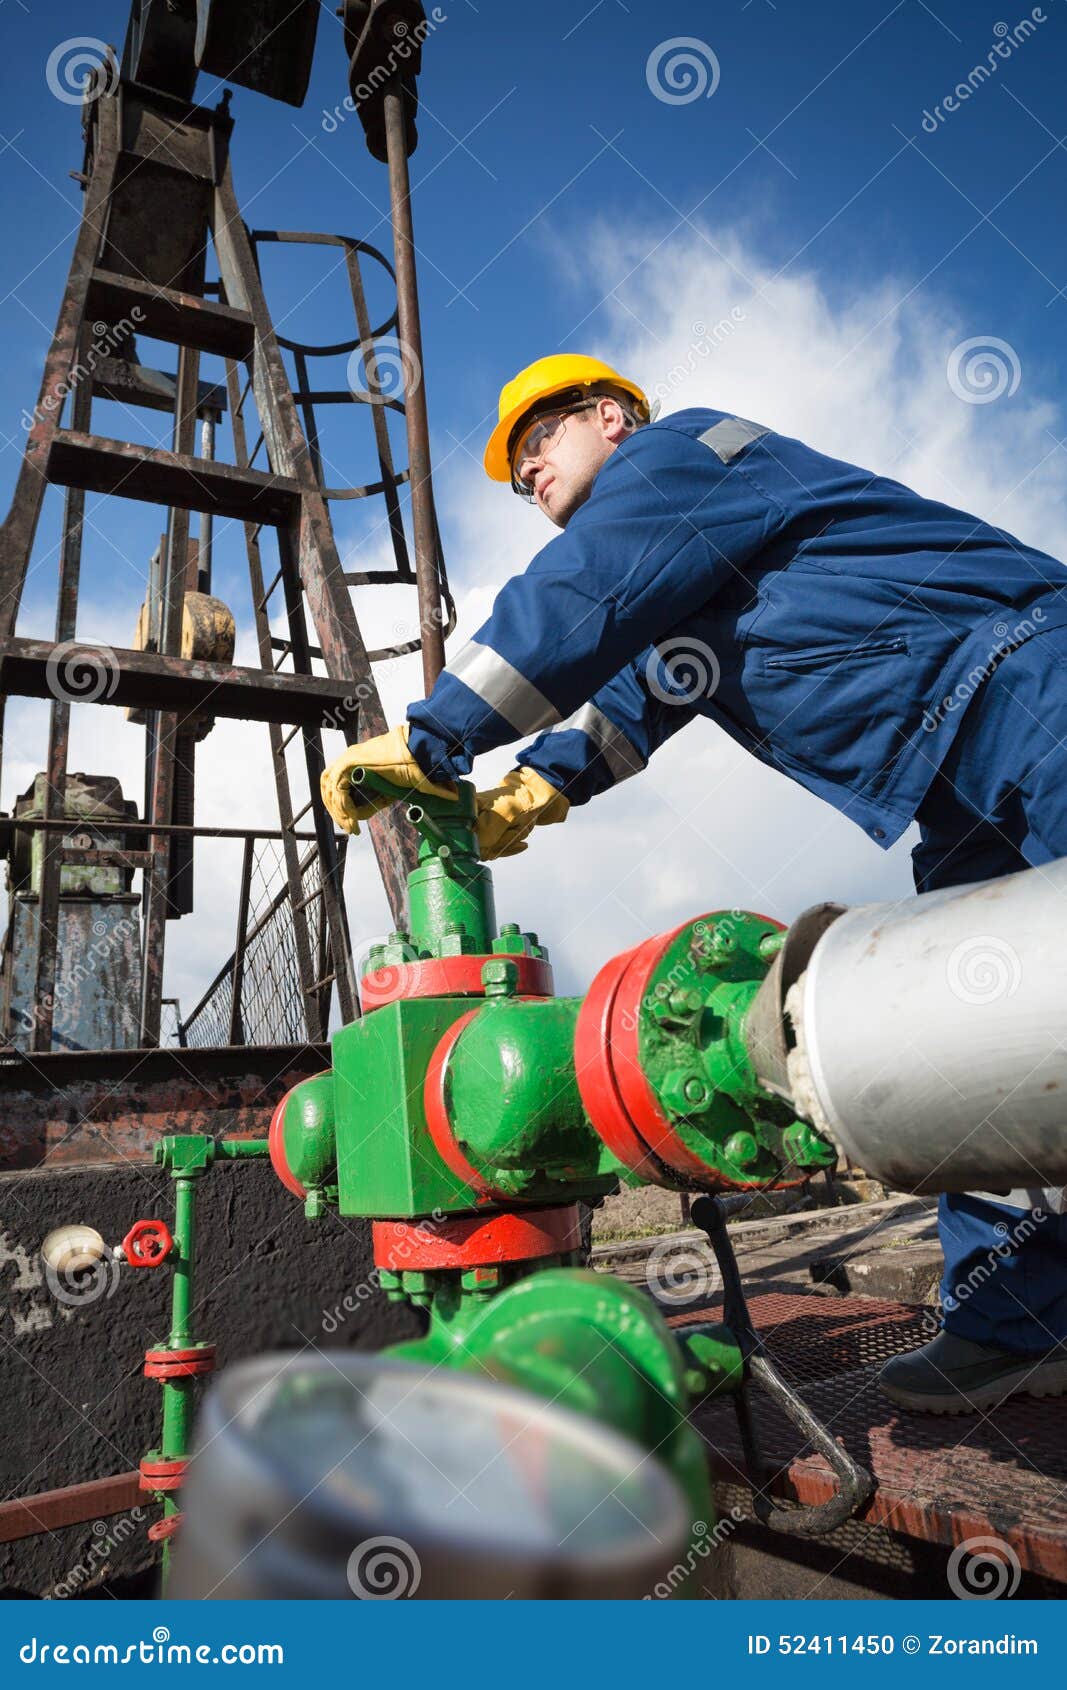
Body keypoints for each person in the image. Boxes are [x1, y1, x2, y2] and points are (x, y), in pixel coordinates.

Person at [320, 352, 1067, 1414]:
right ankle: (1017, 1319)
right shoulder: (686, 566)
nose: (526, 470)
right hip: (950, 782)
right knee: (973, 1042)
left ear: (611, 417)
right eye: (513, 464)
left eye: (540, 439)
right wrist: (538, 786)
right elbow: (641, 689)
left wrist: (436, 733)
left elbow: (589, 591)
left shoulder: (686, 454)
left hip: (1025, 676)